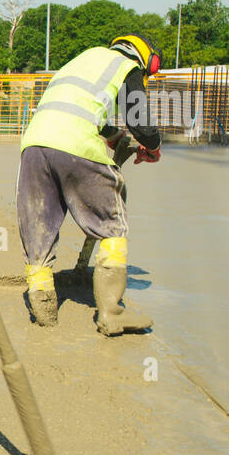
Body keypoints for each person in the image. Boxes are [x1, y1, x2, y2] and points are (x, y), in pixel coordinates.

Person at [16, 33, 163, 334]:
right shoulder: (125, 66)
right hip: (76, 145)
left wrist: (112, 136)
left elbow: (75, 109)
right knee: (111, 221)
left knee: (38, 226)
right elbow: (139, 119)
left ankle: (43, 307)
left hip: (34, 146)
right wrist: (153, 144)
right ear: (144, 58)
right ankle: (111, 313)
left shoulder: (83, 61)